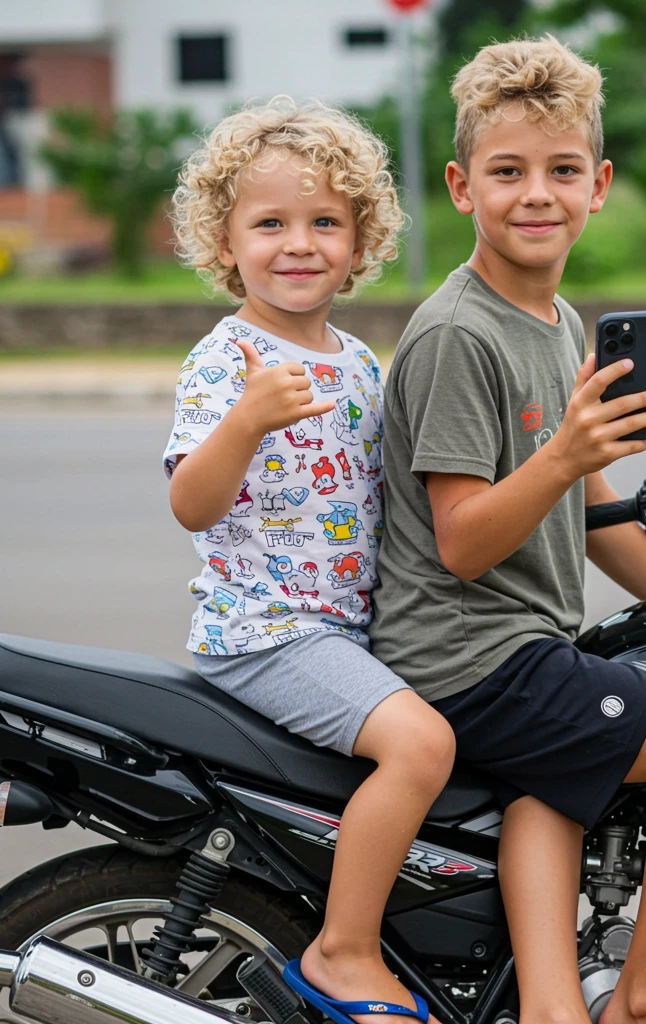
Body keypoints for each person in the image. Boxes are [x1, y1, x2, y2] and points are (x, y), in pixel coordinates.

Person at [371, 38, 646, 1024]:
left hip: (520, 646)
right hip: (470, 661)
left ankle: (553, 1007)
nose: (535, 194)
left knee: (569, 784)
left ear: (597, 186)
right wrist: (562, 452)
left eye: (559, 171)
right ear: (463, 188)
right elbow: (463, 539)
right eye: (507, 172)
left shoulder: (551, 320)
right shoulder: (459, 333)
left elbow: (586, 509)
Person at [163, 97, 452, 1024]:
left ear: (360, 240)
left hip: (350, 629)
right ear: (225, 242)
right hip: (267, 631)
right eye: (270, 223)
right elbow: (191, 506)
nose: (299, 244)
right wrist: (244, 420)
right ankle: (343, 948)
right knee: (421, 745)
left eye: (325, 222)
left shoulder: (361, 361)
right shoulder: (226, 361)